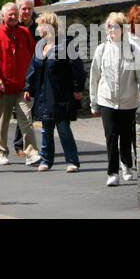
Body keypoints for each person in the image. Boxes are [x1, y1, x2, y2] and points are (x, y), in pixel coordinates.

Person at [0, 1, 41, 167]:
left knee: (26, 119)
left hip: (22, 87)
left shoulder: (24, 33)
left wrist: (31, 81)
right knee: (2, 122)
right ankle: (1, 152)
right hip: (2, 87)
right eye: (11, 14)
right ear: (3, 16)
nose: (15, 17)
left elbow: (33, 58)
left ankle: (32, 153)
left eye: (16, 13)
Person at [26, 11, 85, 172]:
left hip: (61, 95)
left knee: (63, 128)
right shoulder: (40, 46)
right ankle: (46, 160)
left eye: (39, 26)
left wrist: (77, 88)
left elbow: (77, 70)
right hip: (44, 95)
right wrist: (28, 87)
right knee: (46, 128)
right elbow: (33, 69)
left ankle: (72, 161)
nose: (37, 29)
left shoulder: (66, 45)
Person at [90, 11, 140, 186]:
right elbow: (95, 77)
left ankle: (126, 164)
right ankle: (112, 172)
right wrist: (93, 102)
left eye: (116, 27)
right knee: (111, 136)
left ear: (123, 28)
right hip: (107, 100)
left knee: (126, 135)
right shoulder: (102, 50)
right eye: (110, 27)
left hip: (128, 100)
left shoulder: (134, 51)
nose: (113, 30)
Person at [13, 0, 36, 156]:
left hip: (34, 75)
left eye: (29, 9)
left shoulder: (38, 27)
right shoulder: (14, 28)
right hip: (17, 76)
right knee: (23, 111)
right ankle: (19, 145)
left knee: (27, 112)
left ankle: (23, 145)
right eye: (23, 9)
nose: (26, 12)